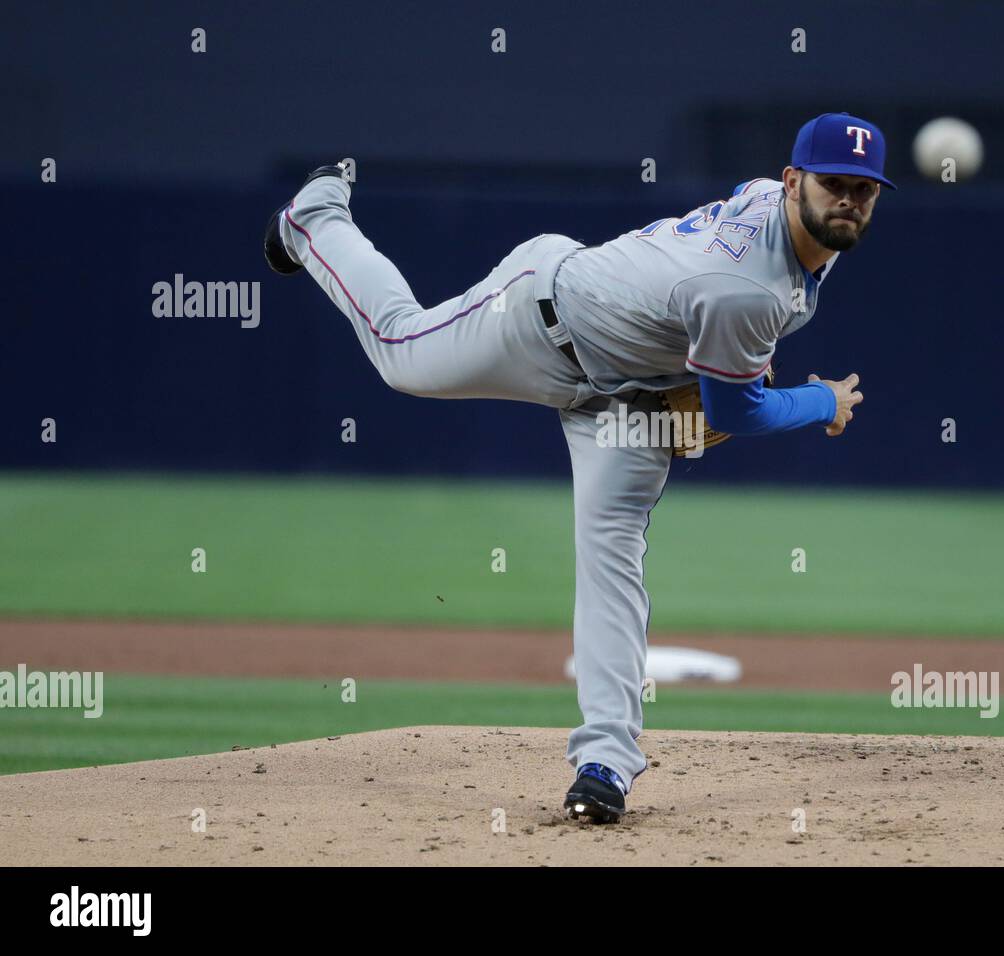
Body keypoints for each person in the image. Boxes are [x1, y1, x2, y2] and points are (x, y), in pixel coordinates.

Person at [263, 111, 892, 823]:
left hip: (625, 403)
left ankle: (605, 765)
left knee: (612, 559)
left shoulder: (782, 228)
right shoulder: (743, 287)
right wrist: (819, 400)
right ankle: (314, 215)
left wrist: (715, 364)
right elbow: (737, 412)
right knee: (400, 352)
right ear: (791, 182)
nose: (848, 198)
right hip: (537, 321)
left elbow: (721, 352)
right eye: (833, 182)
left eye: (864, 188)